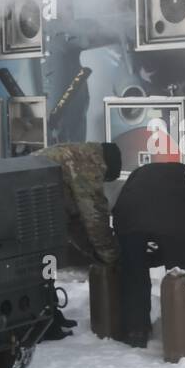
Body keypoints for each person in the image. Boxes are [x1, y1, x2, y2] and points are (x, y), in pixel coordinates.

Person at [112, 161, 185, 347]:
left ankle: (136, 331)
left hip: (129, 220)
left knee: (134, 274)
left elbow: (122, 201)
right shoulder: (184, 180)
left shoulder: (139, 173)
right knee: (177, 274)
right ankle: (180, 329)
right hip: (172, 224)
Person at [38, 142, 121, 339]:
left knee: (45, 265)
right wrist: (111, 255)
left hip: (39, 208)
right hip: (33, 211)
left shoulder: (79, 155)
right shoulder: (89, 164)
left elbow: (76, 220)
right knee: (41, 267)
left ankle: (51, 314)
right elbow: (94, 217)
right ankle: (44, 324)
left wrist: (92, 251)